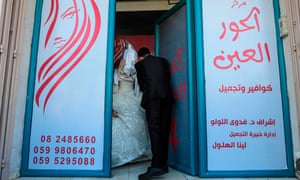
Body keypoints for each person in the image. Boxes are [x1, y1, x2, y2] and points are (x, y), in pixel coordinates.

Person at [135, 47, 174, 180]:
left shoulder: (140, 65)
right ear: (150, 54)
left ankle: (156, 166)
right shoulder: (163, 61)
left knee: (154, 131)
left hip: (153, 100)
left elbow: (142, 85)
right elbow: (167, 79)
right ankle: (163, 164)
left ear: (140, 57)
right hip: (167, 98)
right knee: (164, 131)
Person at [111, 42, 152, 168]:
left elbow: (115, 87)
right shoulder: (136, 69)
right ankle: (129, 153)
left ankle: (130, 153)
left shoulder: (122, 70)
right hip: (128, 96)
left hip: (124, 95)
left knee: (132, 122)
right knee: (131, 122)